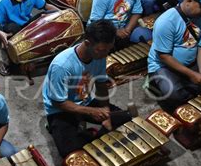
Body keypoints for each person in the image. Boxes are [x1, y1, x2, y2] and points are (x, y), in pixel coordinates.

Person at [42, 19, 135, 158]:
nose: (105, 55)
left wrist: (106, 113)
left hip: (85, 101)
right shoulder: (62, 66)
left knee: (127, 120)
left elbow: (101, 85)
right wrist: (91, 112)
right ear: (87, 43)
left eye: (108, 50)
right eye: (102, 50)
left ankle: (86, 130)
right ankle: (66, 128)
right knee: (72, 154)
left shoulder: (99, 54)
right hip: (61, 109)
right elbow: (58, 102)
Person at [147, 0, 201, 111]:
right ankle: (161, 84)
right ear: (189, 1)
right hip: (164, 66)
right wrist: (192, 74)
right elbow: (164, 56)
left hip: (190, 64)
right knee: (174, 93)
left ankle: (187, 88)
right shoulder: (166, 21)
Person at [0, 0, 59, 76]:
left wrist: (63, 13)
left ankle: (46, 52)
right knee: (12, 28)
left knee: (46, 16)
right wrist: (1, 34)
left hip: (27, 25)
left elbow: (46, 6)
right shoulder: (3, 2)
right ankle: (10, 63)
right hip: (12, 28)